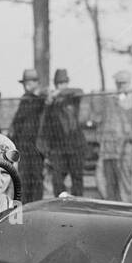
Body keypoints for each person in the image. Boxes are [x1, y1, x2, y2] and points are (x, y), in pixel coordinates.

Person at [91, 71, 132, 203]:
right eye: (118, 83)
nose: (121, 86)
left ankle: (128, 211)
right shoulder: (109, 100)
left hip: (125, 150)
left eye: (124, 83)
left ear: (129, 83)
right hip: (108, 149)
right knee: (109, 184)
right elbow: (99, 119)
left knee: (126, 185)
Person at [38, 68, 86, 196]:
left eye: (63, 83)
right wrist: (50, 97)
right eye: (58, 83)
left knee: (77, 178)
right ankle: (60, 205)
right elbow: (46, 125)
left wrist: (59, 93)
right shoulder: (51, 102)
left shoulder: (73, 97)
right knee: (57, 180)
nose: (61, 86)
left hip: (75, 145)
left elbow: (79, 91)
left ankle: (78, 204)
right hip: (58, 148)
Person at [9, 68, 47, 203]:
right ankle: (24, 207)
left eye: (30, 82)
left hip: (36, 146)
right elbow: (17, 121)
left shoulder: (42, 98)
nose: (27, 85)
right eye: (25, 82)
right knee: (24, 178)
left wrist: (39, 95)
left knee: (36, 177)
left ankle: (37, 206)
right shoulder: (25, 99)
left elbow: (47, 97)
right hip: (23, 146)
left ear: (36, 82)